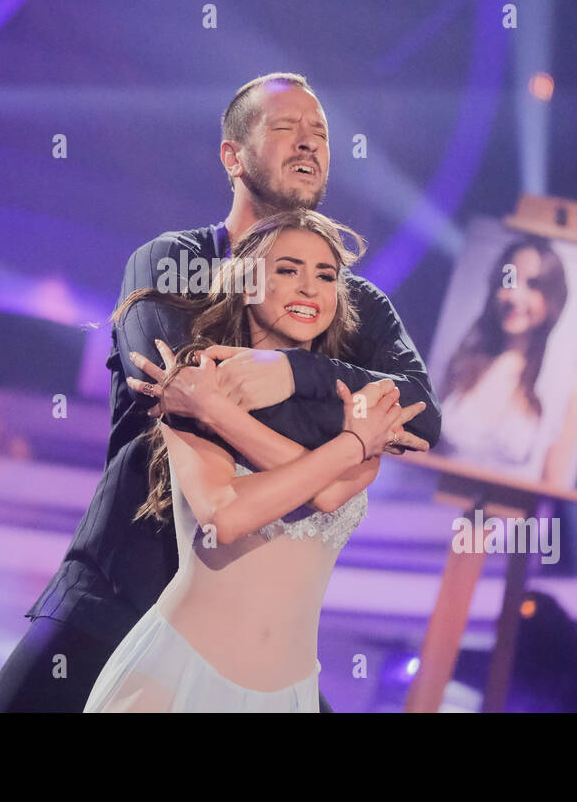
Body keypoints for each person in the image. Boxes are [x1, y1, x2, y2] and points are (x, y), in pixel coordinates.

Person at [0, 72, 441, 713]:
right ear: (233, 155)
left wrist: (291, 376)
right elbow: (178, 388)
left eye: (321, 135)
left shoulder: (349, 302)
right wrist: (348, 431)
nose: (308, 144)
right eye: (285, 128)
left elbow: (420, 411)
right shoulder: (174, 261)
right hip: (125, 590)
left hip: (257, 632)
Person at [84, 209, 421, 711]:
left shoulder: (348, 401)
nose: (310, 287)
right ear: (244, 283)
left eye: (326, 275)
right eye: (288, 270)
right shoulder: (197, 379)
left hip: (289, 695)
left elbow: (329, 492)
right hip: (178, 678)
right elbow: (227, 512)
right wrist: (349, 446)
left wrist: (219, 415)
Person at [435, 235, 577, 488]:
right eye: (508, 281)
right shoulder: (463, 361)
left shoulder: (567, 388)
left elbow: (552, 490)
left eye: (533, 284)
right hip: (430, 516)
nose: (514, 295)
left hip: (507, 525)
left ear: (554, 299)